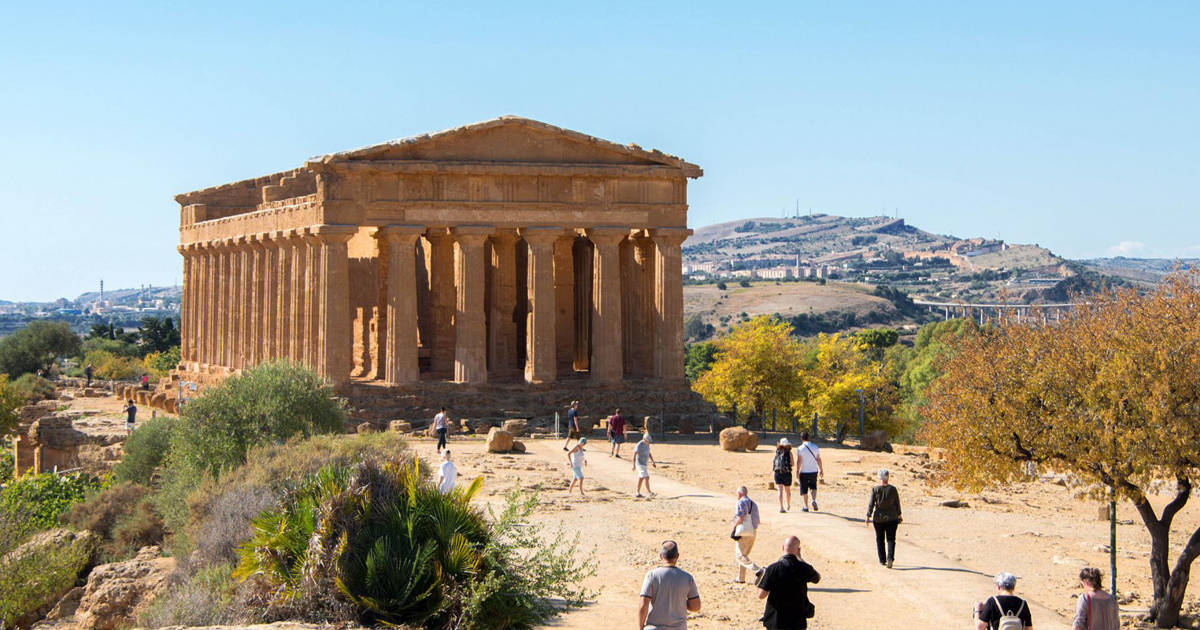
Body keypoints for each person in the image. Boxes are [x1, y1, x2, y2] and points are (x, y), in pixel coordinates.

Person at [757, 536, 821, 630]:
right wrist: (800, 558)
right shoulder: (803, 568)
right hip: (797, 619)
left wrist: (760, 582)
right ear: (798, 549)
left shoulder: (773, 568)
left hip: (776, 619)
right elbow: (817, 578)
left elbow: (761, 595)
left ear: (783, 548)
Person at [638, 540, 701, 630]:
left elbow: (643, 604)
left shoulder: (651, 575)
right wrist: (680, 601)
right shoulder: (687, 578)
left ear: (661, 556)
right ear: (677, 556)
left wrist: (640, 626)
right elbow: (696, 606)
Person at [865, 468, 902, 568]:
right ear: (888, 477)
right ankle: (890, 558)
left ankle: (882, 559)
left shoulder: (875, 489)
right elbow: (897, 503)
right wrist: (899, 515)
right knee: (891, 539)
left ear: (879, 477)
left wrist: (868, 515)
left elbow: (871, 504)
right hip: (892, 517)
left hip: (878, 519)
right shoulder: (893, 489)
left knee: (880, 539)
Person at [731, 486, 762, 583]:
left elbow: (740, 517)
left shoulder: (740, 502)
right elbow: (758, 521)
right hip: (752, 532)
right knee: (744, 555)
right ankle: (741, 578)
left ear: (739, 494)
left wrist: (733, 526)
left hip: (743, 531)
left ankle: (758, 570)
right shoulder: (754, 504)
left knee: (740, 556)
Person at [796, 432, 824, 512]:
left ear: (801, 438)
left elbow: (799, 461)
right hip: (813, 470)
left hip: (804, 471)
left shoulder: (800, 448)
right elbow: (818, 459)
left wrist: (797, 471)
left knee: (804, 489)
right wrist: (821, 469)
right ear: (809, 438)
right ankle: (813, 500)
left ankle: (805, 506)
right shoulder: (815, 447)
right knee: (813, 486)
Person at [772, 438, 796, 512]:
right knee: (787, 491)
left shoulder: (777, 452)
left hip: (777, 473)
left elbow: (773, 462)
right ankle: (788, 505)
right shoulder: (789, 453)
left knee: (780, 490)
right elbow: (793, 463)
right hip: (787, 473)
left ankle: (781, 507)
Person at [633, 432, 658, 497]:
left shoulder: (647, 445)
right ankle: (650, 493)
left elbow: (649, 453)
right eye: (647, 441)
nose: (648, 442)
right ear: (644, 439)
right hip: (639, 463)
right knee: (647, 477)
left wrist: (652, 461)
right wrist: (634, 465)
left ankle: (637, 492)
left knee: (641, 478)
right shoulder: (639, 445)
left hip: (644, 464)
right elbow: (634, 455)